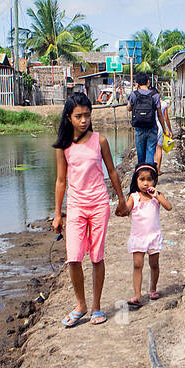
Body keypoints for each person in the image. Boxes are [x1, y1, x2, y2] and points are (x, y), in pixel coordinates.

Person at [52, 92, 129, 326]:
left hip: (99, 205)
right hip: (75, 206)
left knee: (96, 257)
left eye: (87, 115)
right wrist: (57, 213)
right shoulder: (63, 147)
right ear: (69, 118)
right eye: (78, 116)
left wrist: (122, 200)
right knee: (73, 258)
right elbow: (61, 181)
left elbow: (112, 171)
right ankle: (81, 304)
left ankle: (96, 307)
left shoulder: (100, 140)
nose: (84, 120)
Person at [125, 163, 172, 306]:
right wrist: (121, 205)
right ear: (136, 181)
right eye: (142, 179)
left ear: (155, 181)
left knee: (154, 264)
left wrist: (156, 195)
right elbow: (125, 210)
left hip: (153, 236)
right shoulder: (134, 197)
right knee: (137, 265)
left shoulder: (156, 196)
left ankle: (153, 289)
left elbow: (169, 207)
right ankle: (137, 295)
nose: (146, 183)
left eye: (149, 179)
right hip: (138, 237)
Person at [128, 72, 170, 165]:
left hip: (139, 128)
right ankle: (150, 175)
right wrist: (164, 129)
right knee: (150, 153)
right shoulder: (155, 95)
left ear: (137, 83)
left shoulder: (134, 94)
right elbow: (160, 115)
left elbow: (129, 108)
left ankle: (141, 176)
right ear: (148, 82)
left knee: (140, 157)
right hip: (152, 128)